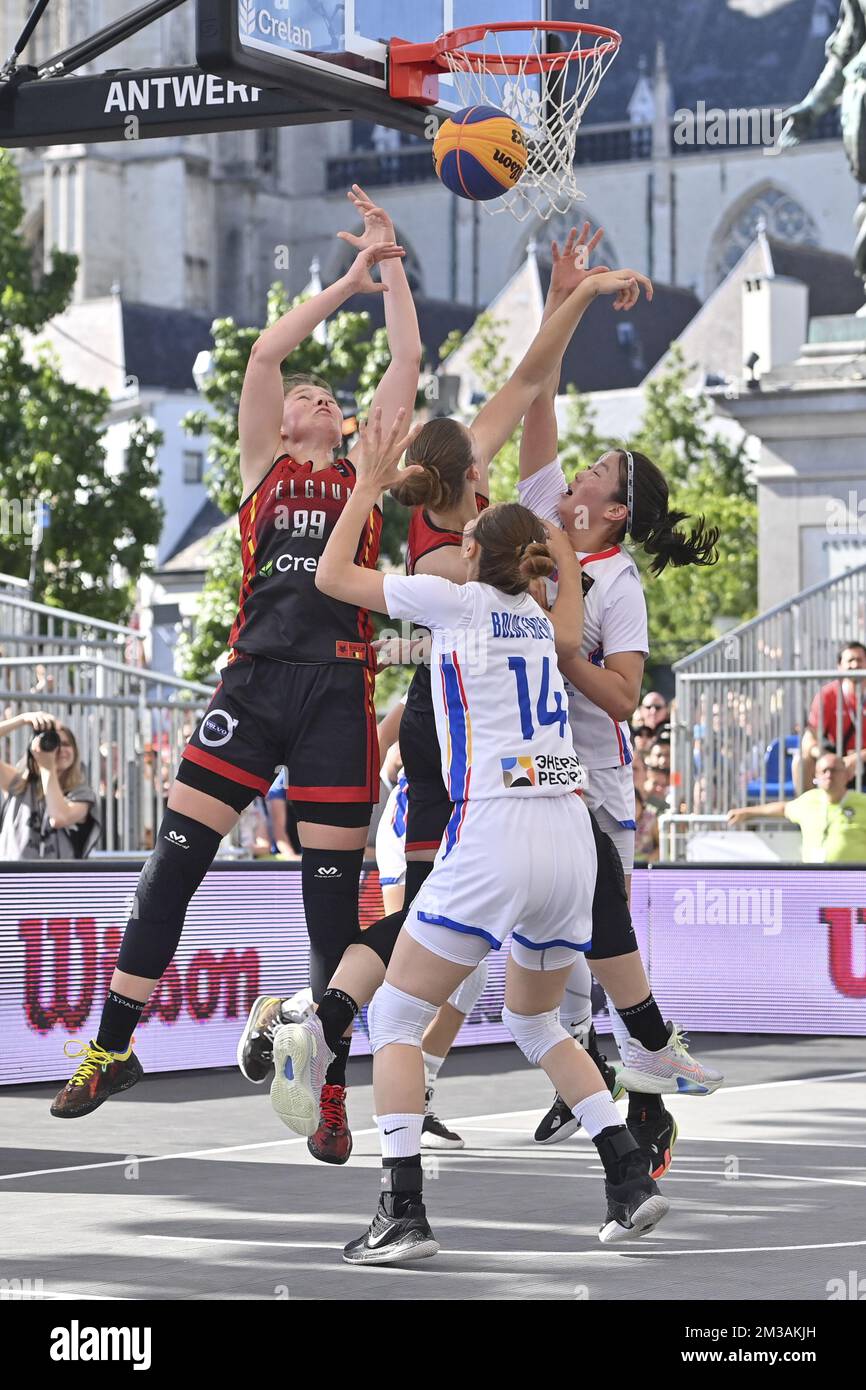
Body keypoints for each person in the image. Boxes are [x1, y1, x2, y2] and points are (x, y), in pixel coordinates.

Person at [49, 185, 421, 1132]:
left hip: (337, 691)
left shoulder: (365, 477)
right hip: (254, 682)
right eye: (307, 394)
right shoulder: (265, 467)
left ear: (344, 429)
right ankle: (113, 1046)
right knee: (169, 870)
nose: (313, 394)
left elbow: (408, 357)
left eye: (328, 397)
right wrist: (346, 279)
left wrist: (394, 267)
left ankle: (328, 1088)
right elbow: (264, 352)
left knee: (331, 920)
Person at [293, 407, 670, 1262]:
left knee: (394, 1017)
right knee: (542, 1026)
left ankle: (403, 1211)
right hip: (569, 835)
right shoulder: (542, 623)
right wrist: (565, 556)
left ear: (472, 554)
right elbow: (572, 625)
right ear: (533, 568)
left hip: (496, 829)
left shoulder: (457, 603)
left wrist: (365, 482)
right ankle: (627, 1176)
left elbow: (330, 579)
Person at [517, 223, 722, 1164]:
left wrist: (556, 652)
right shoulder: (549, 523)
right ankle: (624, 1097)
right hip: (528, 777)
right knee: (558, 973)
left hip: (593, 793)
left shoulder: (616, 582)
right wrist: (570, 297)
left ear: (609, 511)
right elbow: (535, 395)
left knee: (593, 964)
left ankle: (644, 1101)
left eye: (594, 471)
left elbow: (624, 696)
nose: (577, 468)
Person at [727, 752, 866, 863]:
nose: (829, 775)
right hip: (816, 884)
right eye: (824, 771)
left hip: (854, 887)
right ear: (816, 776)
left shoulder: (862, 802)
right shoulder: (808, 800)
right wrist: (746, 812)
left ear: (848, 775)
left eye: (834, 770)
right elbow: (783, 808)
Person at [0, 711, 100, 861]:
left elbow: (58, 817)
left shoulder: (82, 794)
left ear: (75, 751)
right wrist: (22, 719)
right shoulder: (19, 783)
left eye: (66, 744)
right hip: (13, 879)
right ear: (34, 748)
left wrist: (47, 767)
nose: (59, 750)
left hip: (57, 881)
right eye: (54, 743)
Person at [796, 642, 866, 793]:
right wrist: (829, 759)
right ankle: (809, 812)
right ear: (839, 666)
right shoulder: (827, 694)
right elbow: (808, 739)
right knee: (801, 760)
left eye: (860, 660)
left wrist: (857, 757)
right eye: (850, 660)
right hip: (836, 757)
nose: (855, 664)